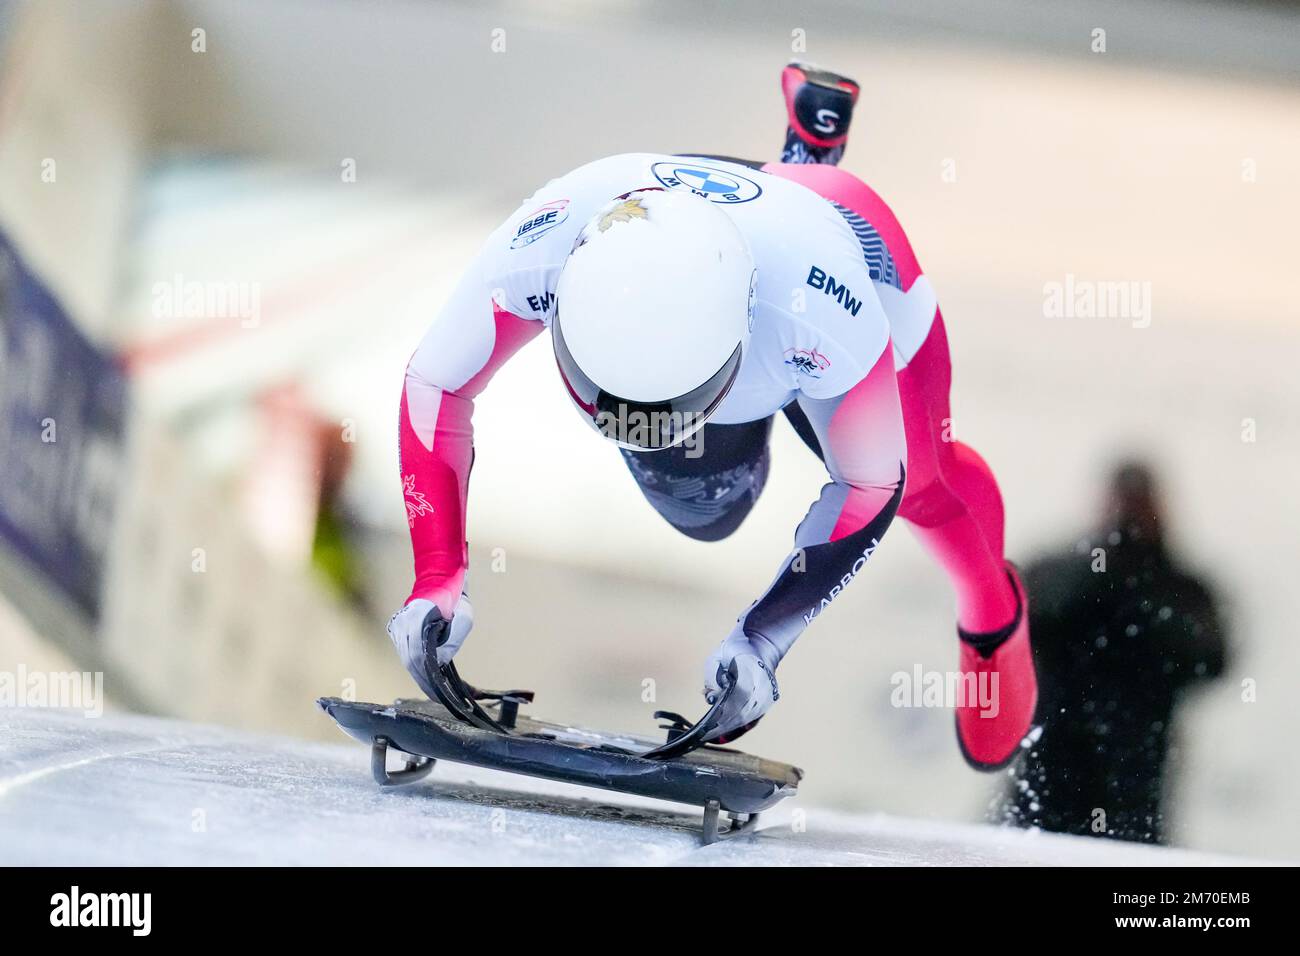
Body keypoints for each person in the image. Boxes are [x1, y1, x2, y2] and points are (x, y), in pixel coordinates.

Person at [386, 63, 1037, 768]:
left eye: (669, 411)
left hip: (841, 247)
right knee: (704, 515)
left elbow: (870, 486)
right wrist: (436, 580)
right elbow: (435, 386)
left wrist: (763, 639)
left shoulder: (825, 316)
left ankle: (995, 617)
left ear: (732, 355)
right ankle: (801, 161)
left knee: (921, 486)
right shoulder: (544, 242)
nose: (643, 426)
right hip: (712, 236)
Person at [1001, 461, 1229, 841]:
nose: (1131, 515)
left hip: (1136, 775)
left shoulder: (1181, 588)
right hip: (1056, 765)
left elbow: (1212, 659)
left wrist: (1138, 596)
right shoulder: (1064, 573)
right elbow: (1014, 629)